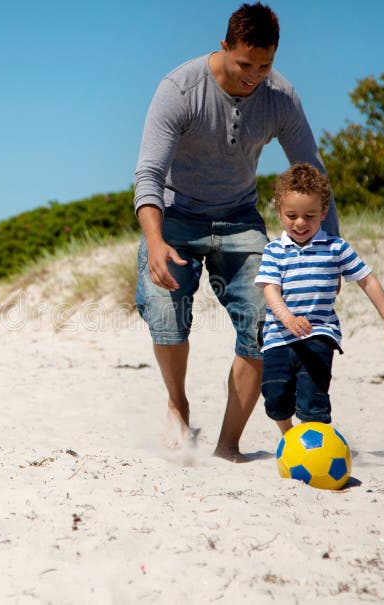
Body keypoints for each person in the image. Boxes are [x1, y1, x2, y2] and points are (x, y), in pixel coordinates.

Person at [133, 2, 339, 461]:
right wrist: (155, 242)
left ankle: (229, 446)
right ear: (224, 47)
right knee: (166, 315)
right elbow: (148, 174)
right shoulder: (180, 90)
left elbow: (312, 173)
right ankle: (178, 402)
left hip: (240, 219)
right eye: (245, 63)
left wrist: (330, 248)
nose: (254, 75)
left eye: (265, 66)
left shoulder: (280, 98)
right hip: (176, 215)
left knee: (266, 326)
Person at [255, 163, 384, 435]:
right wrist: (287, 318)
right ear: (279, 212)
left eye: (310, 215)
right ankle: (288, 435)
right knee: (275, 398)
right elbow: (270, 290)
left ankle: (313, 439)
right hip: (278, 336)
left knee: (313, 399)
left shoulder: (336, 248)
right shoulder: (274, 250)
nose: (300, 223)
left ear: (323, 213)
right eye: (292, 215)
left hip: (319, 334)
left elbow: (368, 280)